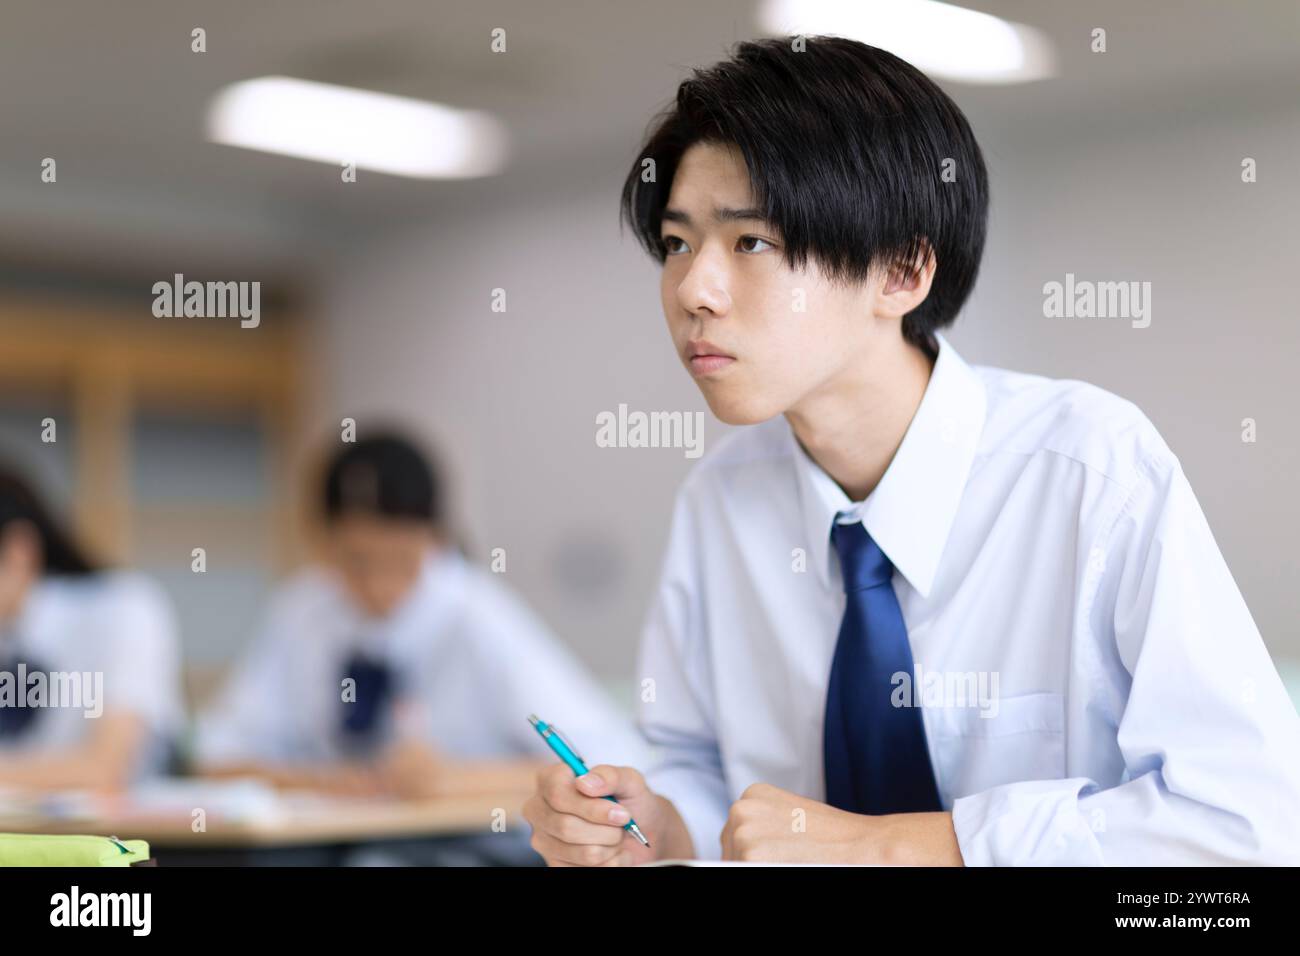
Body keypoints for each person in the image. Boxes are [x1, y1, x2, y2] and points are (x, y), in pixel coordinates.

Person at [522, 36, 1300, 866]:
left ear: (901, 270)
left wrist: (905, 847)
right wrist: (656, 823)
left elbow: (1248, 822)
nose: (692, 291)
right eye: (678, 243)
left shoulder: (1091, 471)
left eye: (750, 243)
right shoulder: (722, 500)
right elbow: (699, 771)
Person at [196, 433, 648, 861]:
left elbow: (614, 758)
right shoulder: (302, 610)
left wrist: (454, 780)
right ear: (322, 541)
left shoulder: (477, 613)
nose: (378, 587)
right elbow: (216, 755)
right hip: (330, 839)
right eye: (356, 560)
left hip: (467, 844)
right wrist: (318, 780)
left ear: (433, 538)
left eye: (398, 560)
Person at [0, 467, 184, 789]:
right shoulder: (9, 637)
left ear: (18, 552)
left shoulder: (125, 609)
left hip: (137, 836)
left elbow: (106, 770)